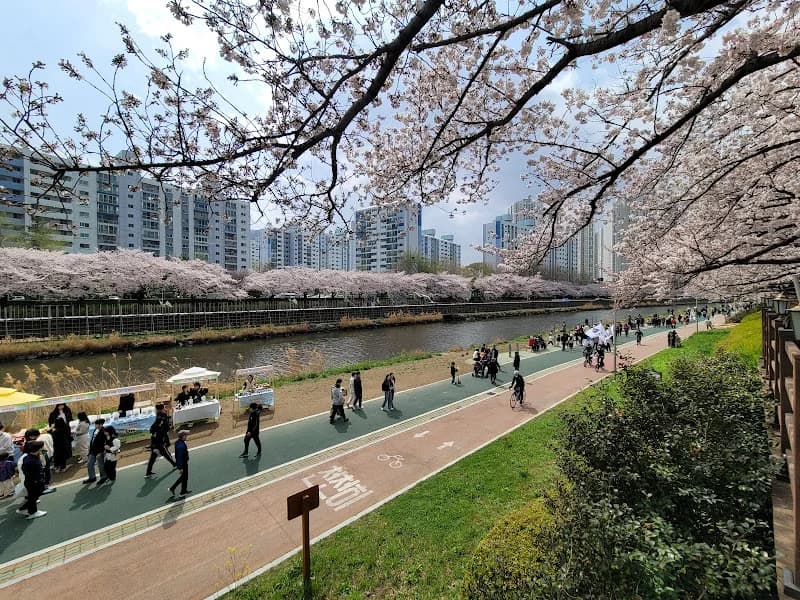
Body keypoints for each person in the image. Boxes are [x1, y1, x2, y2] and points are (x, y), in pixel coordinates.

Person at [16, 440, 47, 519]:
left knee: (32, 497)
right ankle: (32, 512)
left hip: (30, 482)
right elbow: (33, 473)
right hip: (34, 482)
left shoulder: (27, 457)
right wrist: (38, 481)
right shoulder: (32, 461)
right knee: (33, 497)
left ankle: (23, 509)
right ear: (38, 449)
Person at [145, 404, 176, 478]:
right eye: (164, 408)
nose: (165, 409)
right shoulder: (161, 416)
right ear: (161, 409)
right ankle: (174, 464)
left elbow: (156, 427)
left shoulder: (159, 416)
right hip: (158, 440)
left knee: (155, 456)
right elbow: (161, 427)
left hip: (156, 440)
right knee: (164, 453)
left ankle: (148, 472)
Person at [169, 430, 191, 498]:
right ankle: (180, 491)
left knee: (184, 477)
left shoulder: (178, 442)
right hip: (183, 464)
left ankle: (182, 490)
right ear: (183, 436)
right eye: (186, 435)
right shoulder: (181, 446)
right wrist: (180, 468)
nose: (187, 436)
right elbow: (179, 457)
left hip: (183, 463)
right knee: (184, 477)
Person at [84, 418, 106, 485]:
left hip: (99, 452)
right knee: (89, 464)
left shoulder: (104, 431)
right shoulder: (95, 430)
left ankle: (103, 477)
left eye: (96, 424)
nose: (95, 425)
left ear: (100, 425)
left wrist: (101, 452)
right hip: (93, 451)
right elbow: (92, 441)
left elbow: (105, 442)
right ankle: (92, 477)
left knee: (100, 465)